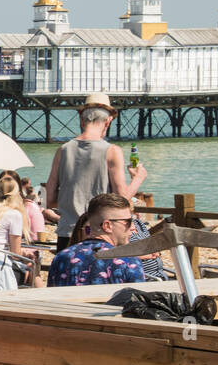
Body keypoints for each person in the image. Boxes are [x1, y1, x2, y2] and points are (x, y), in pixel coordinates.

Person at [45, 93, 147, 253]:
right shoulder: (112, 151)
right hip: (99, 235)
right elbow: (121, 201)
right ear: (108, 121)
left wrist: (72, 204)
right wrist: (138, 178)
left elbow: (50, 199)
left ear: (82, 119)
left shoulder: (63, 150)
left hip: (67, 234)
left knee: (66, 276)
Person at [47, 193, 146, 287]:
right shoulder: (128, 261)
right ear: (107, 226)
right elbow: (138, 301)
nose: (133, 228)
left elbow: (51, 297)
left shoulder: (61, 257)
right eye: (128, 222)